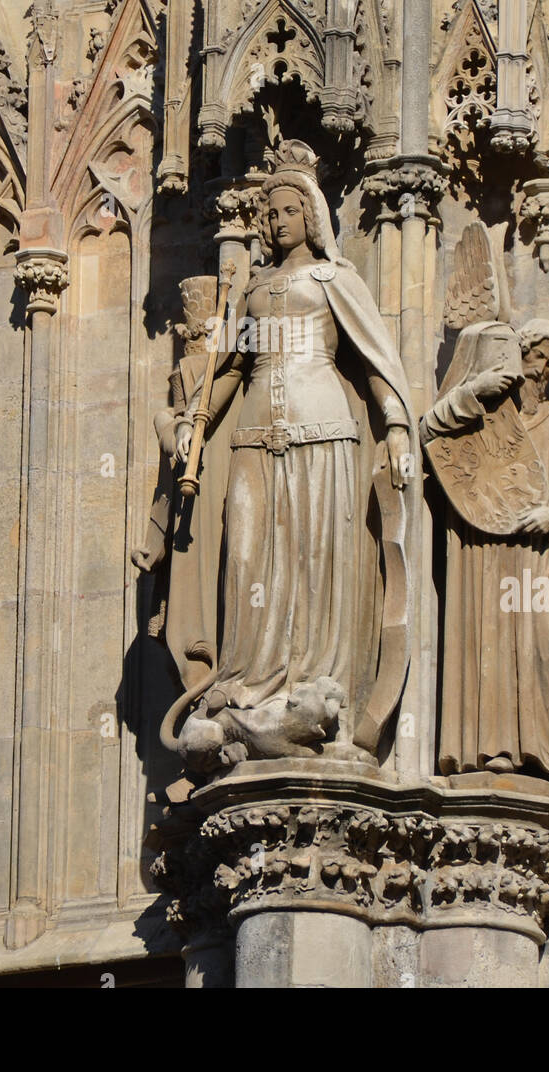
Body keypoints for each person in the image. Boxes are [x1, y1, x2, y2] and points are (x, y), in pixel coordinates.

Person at [172, 143, 418, 770]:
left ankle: (315, 682)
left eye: (289, 211)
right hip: (254, 432)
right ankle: (247, 681)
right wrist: (194, 424)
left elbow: (375, 361)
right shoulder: (250, 290)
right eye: (271, 213)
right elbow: (230, 369)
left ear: (311, 217)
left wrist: (395, 425)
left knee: (314, 556)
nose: (279, 221)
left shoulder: (337, 282)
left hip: (322, 426)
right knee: (248, 553)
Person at [420, 318, 549, 787]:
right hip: (482, 547)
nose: (543, 373)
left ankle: (545, 754)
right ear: (520, 353)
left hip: (536, 552)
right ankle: (493, 749)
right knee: (488, 642)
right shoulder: (482, 409)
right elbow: (428, 430)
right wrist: (475, 392)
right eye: (540, 359)